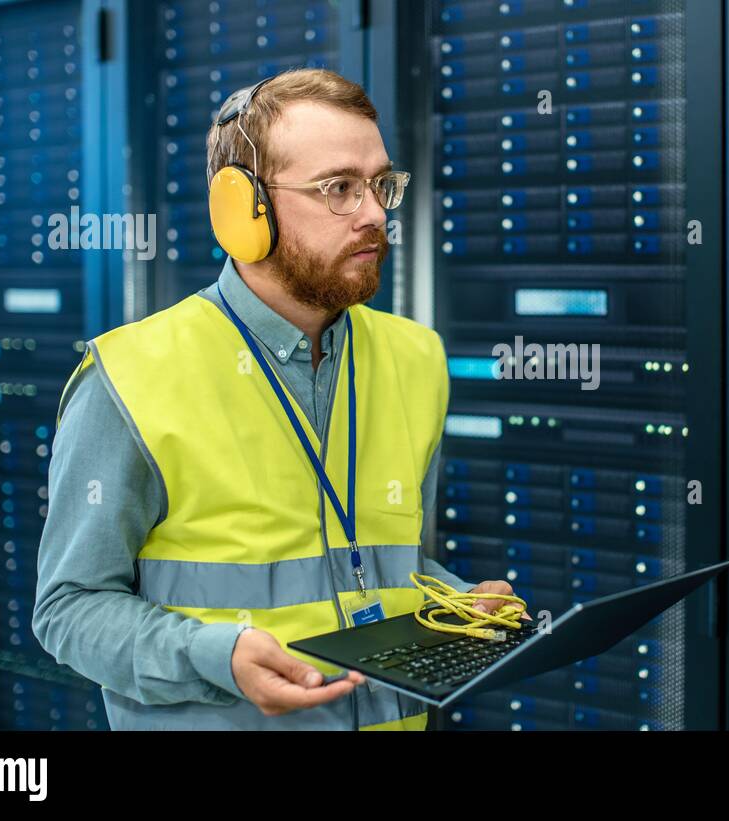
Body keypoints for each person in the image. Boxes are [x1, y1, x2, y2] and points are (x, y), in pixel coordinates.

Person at [33, 68, 520, 730]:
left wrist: (460, 601)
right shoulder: (130, 376)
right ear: (243, 209)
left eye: (382, 185)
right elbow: (69, 606)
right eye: (339, 189)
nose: (376, 213)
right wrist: (212, 654)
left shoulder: (416, 359)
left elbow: (377, 563)